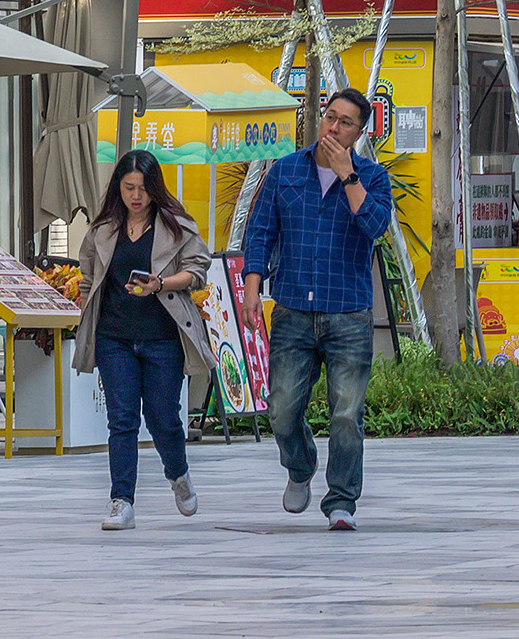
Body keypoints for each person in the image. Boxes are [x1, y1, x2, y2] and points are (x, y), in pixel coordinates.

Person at [239, 85, 395, 530]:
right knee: (282, 410)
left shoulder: (372, 178)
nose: (333, 126)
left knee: (347, 413)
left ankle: (342, 501)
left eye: (345, 122)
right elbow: (261, 232)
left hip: (348, 312)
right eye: (330, 116)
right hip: (292, 308)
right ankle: (301, 466)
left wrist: (349, 177)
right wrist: (252, 285)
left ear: (358, 133)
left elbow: (375, 226)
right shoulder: (286, 171)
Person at [72, 148, 214, 530]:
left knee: (163, 418)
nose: (136, 196)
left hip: (162, 337)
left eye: (143, 188)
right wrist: (86, 304)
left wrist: (161, 284)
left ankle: (178, 473)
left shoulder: (176, 226)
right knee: (121, 420)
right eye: (129, 187)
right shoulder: (103, 231)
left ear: (155, 189)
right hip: (114, 336)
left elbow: (198, 270)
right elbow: (88, 276)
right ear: (118, 188)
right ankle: (122, 501)